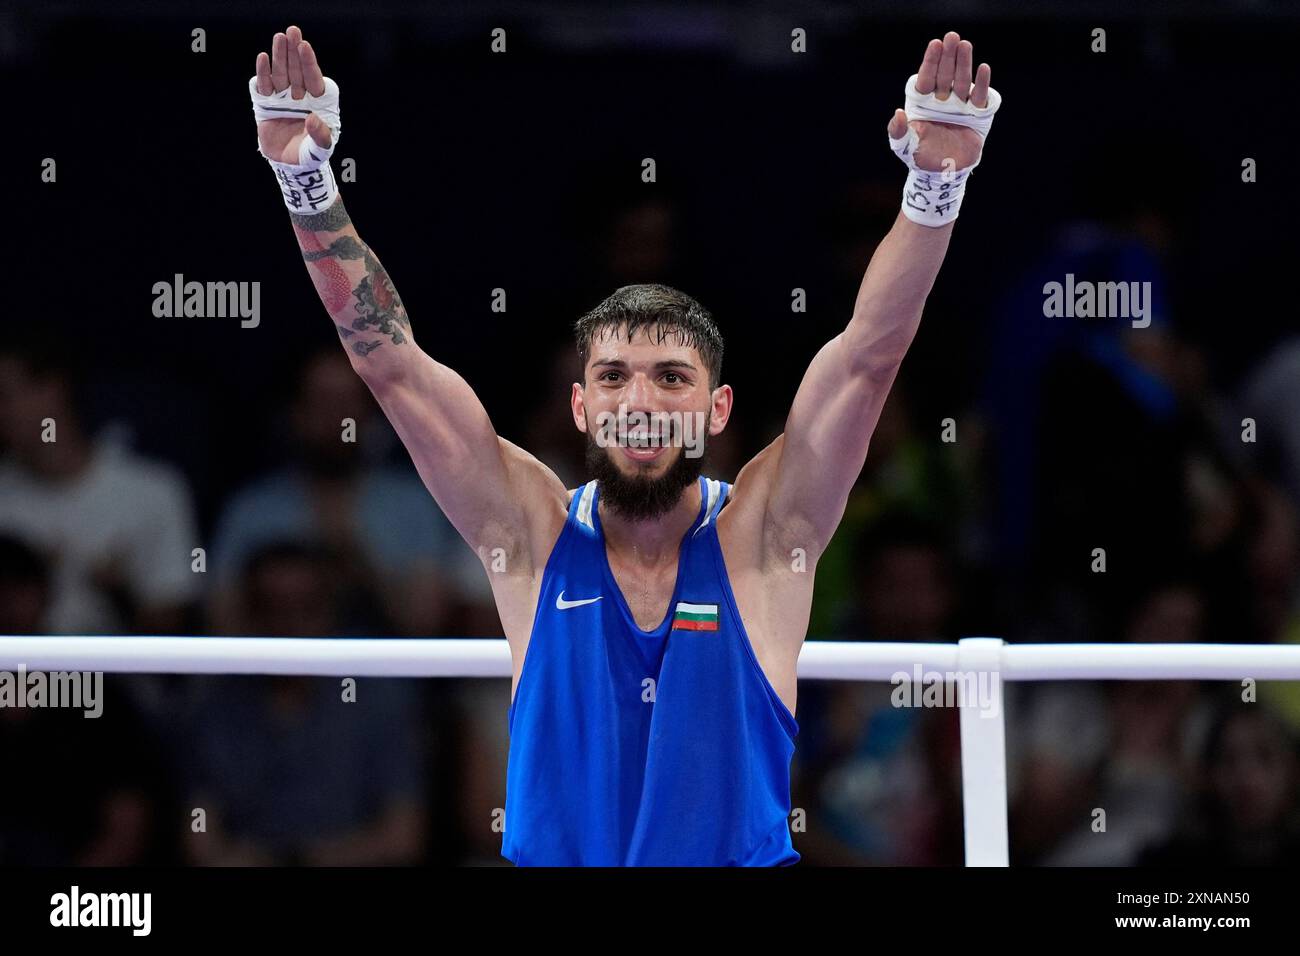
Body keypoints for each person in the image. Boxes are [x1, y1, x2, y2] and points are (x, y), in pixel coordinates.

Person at [246, 25, 1001, 865]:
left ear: (718, 410)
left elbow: (869, 354)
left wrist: (934, 191)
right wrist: (305, 179)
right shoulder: (525, 533)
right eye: (613, 377)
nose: (639, 400)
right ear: (578, 405)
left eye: (670, 378)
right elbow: (389, 363)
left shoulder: (766, 536)